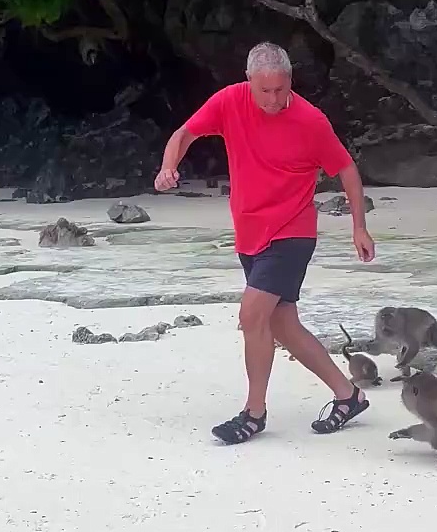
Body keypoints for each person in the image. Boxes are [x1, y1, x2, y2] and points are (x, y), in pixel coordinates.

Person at [154, 43, 376, 445]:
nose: (274, 99)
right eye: (265, 91)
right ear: (249, 82)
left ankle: (253, 414)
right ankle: (349, 395)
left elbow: (346, 169)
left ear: (290, 80)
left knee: (252, 315)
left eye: (281, 89)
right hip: (250, 233)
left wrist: (358, 226)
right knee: (284, 326)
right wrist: (169, 166)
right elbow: (185, 132)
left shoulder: (311, 120)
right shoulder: (229, 102)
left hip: (292, 232)